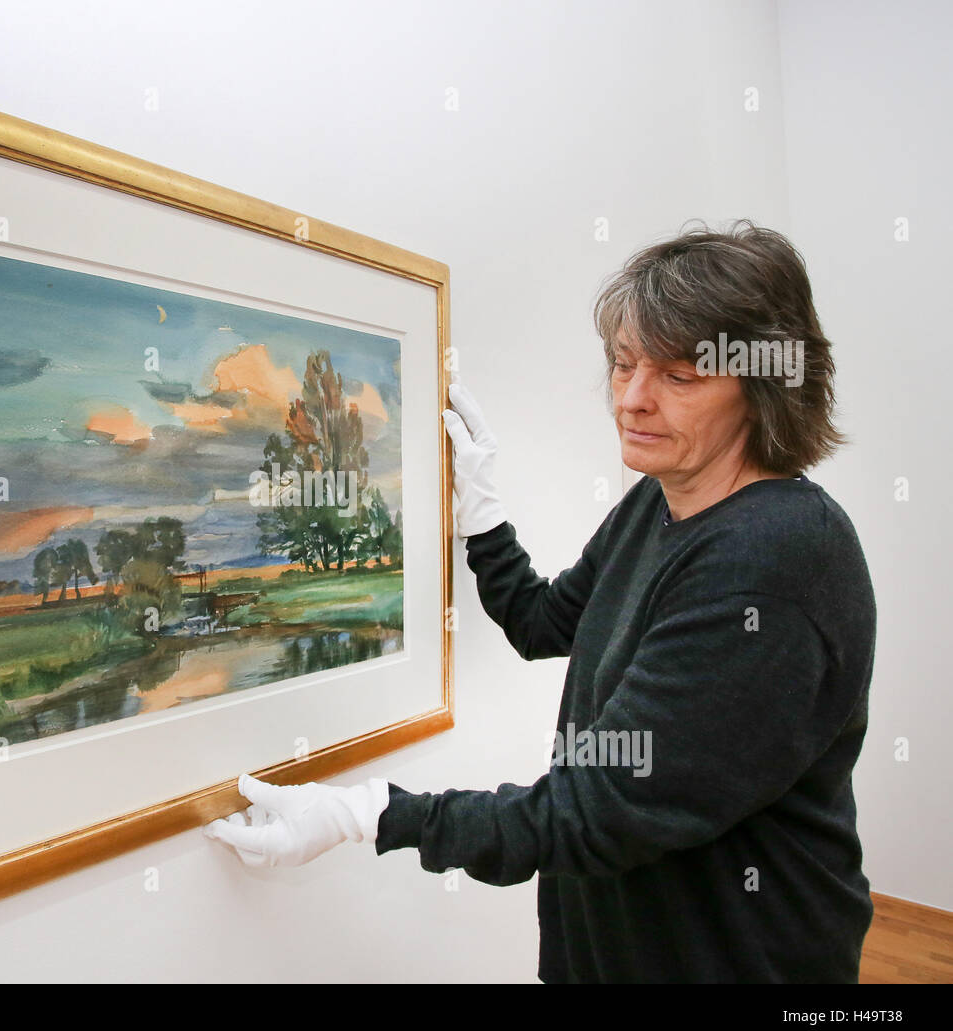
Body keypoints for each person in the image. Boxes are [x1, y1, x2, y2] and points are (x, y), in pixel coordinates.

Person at [203, 220, 877, 984]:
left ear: (765, 385)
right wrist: (481, 512)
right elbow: (543, 622)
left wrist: (369, 813)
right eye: (623, 365)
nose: (632, 398)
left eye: (678, 377)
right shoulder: (658, 504)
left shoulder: (773, 561)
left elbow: (595, 813)